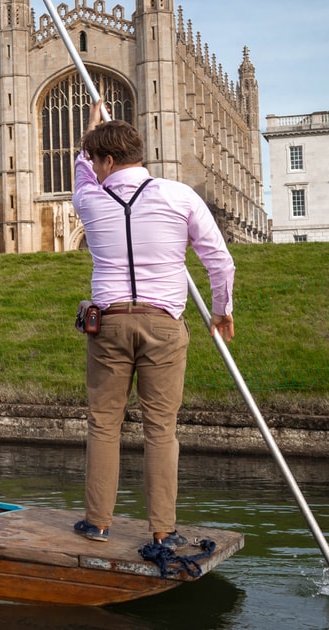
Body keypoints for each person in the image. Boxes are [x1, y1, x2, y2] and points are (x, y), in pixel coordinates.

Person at [71, 100, 236, 549]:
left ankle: (98, 523)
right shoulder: (178, 195)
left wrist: (90, 127)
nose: (97, 171)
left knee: (104, 424)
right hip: (164, 323)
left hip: (108, 323)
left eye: (99, 163)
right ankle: (163, 529)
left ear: (107, 161)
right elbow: (219, 260)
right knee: (161, 428)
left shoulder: (88, 198)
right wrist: (223, 310)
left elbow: (80, 168)